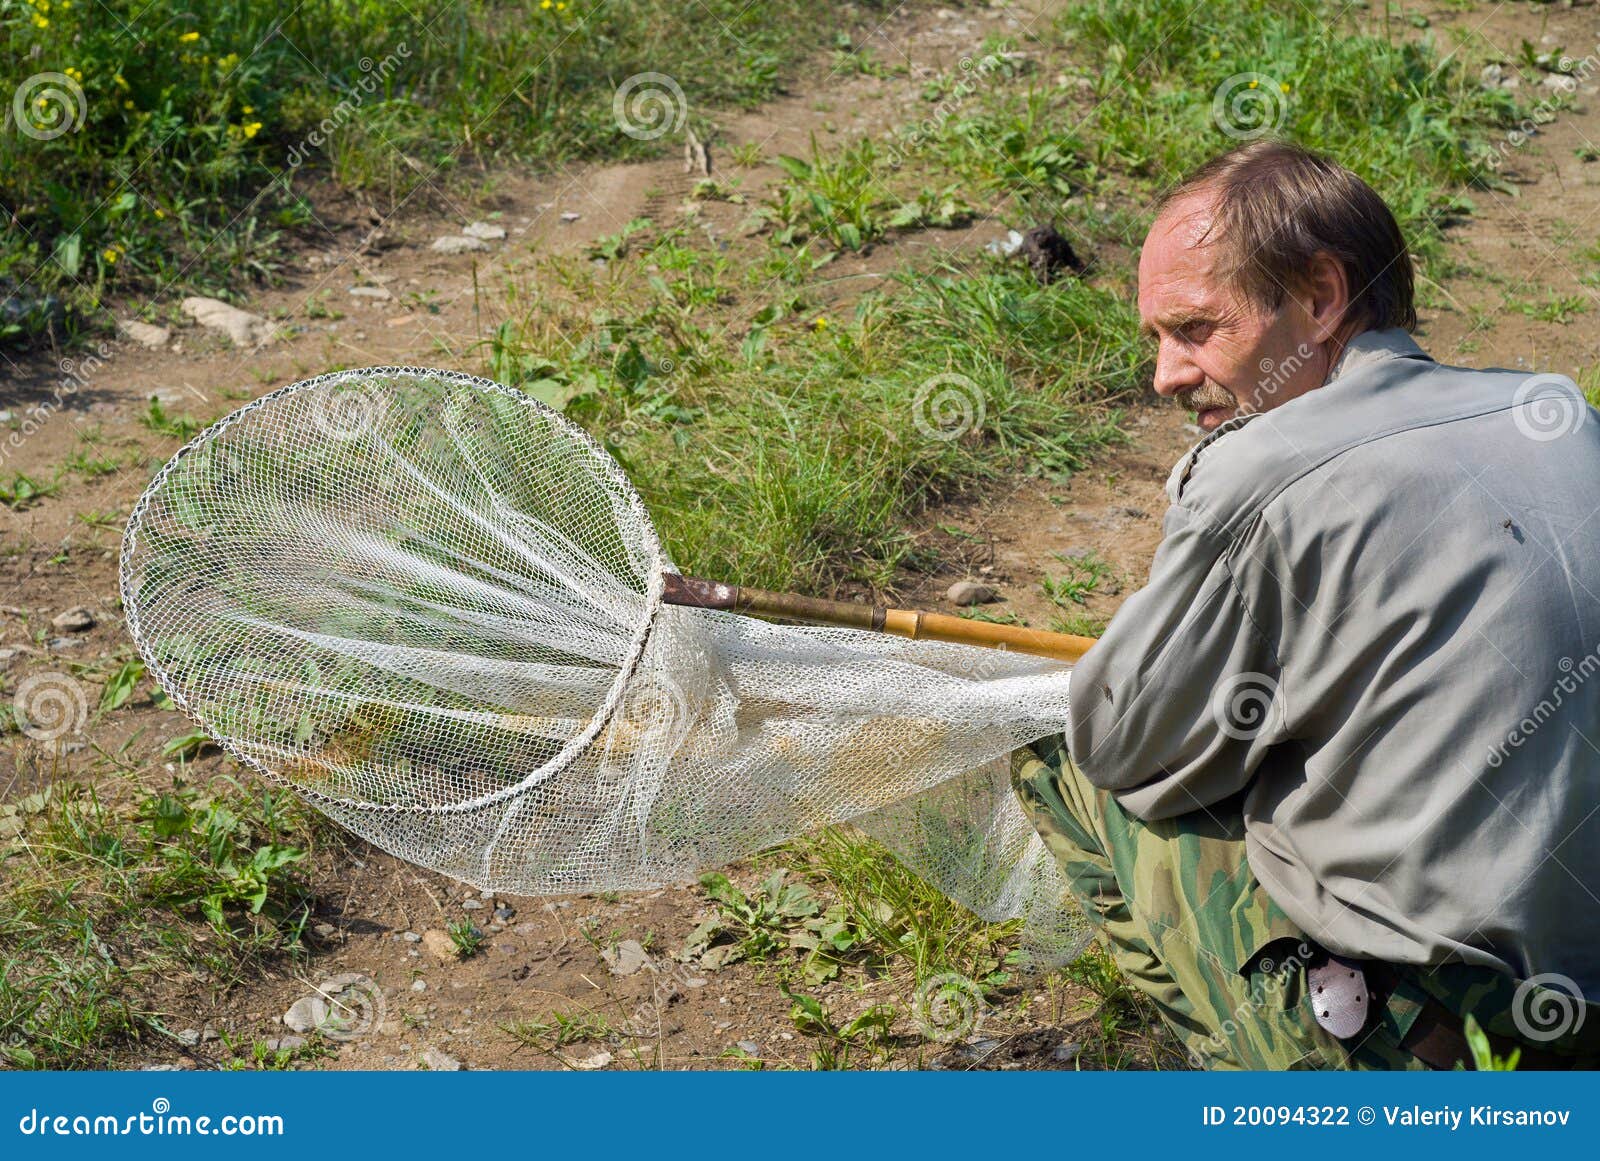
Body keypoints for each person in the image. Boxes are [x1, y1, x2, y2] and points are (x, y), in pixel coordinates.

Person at [1013, 139, 1600, 1069]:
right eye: (1156, 340)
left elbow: (1126, 743)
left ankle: (1299, 1078)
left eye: (1196, 330)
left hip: (1447, 1020)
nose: (1166, 373)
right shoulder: (1558, 411)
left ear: (1321, 298)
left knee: (1058, 750)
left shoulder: (1261, 472)